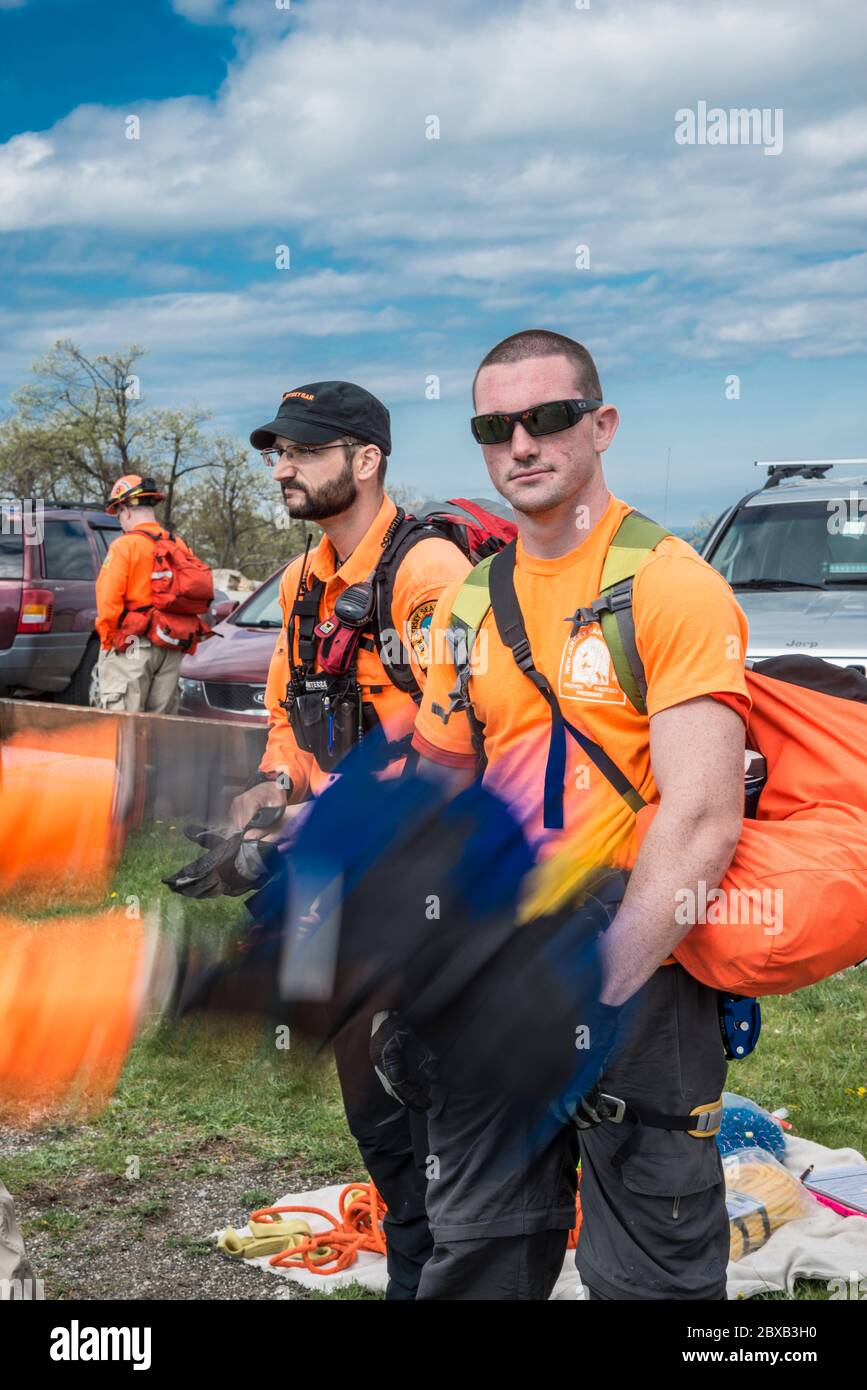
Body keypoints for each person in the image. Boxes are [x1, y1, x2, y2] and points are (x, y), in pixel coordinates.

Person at [410, 329, 748, 1300]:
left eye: (548, 417)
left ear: (600, 425)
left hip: (643, 968)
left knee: (655, 1272)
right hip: (504, 960)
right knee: (477, 1244)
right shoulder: (470, 600)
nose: (521, 442)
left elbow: (703, 818)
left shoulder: (673, 584)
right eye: (495, 424)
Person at [229, 380, 472, 1299]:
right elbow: (291, 727)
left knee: (425, 1079)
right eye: (276, 453)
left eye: (302, 450)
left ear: (365, 460)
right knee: (359, 1072)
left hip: (434, 862)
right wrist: (269, 792)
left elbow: (462, 743)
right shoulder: (301, 585)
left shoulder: (428, 574)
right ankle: (414, 1250)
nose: (282, 468)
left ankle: (457, 1260)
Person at [95, 475, 204, 714]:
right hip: (171, 645)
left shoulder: (125, 546)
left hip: (133, 645)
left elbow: (108, 600)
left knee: (124, 724)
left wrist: (108, 641)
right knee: (160, 729)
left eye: (119, 514)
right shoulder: (179, 544)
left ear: (126, 511)